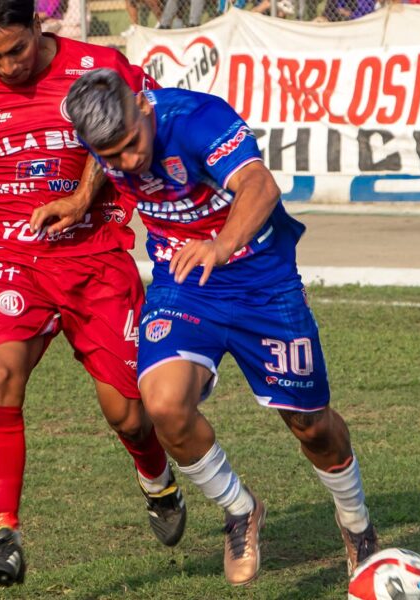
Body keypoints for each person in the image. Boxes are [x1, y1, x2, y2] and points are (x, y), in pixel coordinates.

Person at [43, 68, 381, 586]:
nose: (127, 161)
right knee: (163, 406)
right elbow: (99, 155)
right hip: (184, 284)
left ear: (143, 105)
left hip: (264, 284)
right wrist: (80, 198)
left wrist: (221, 245)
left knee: (311, 425)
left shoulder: (198, 119)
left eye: (132, 144)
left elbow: (260, 185)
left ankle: (356, 524)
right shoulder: (104, 137)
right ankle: (240, 509)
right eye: (113, 155)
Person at [0, 0, 186, 589]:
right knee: (2, 376)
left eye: (17, 50)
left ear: (37, 25)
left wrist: (81, 196)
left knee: (128, 415)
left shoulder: (98, 68)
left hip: (94, 257)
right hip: (11, 255)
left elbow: (142, 127)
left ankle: (157, 479)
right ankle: (3, 536)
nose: (7, 66)